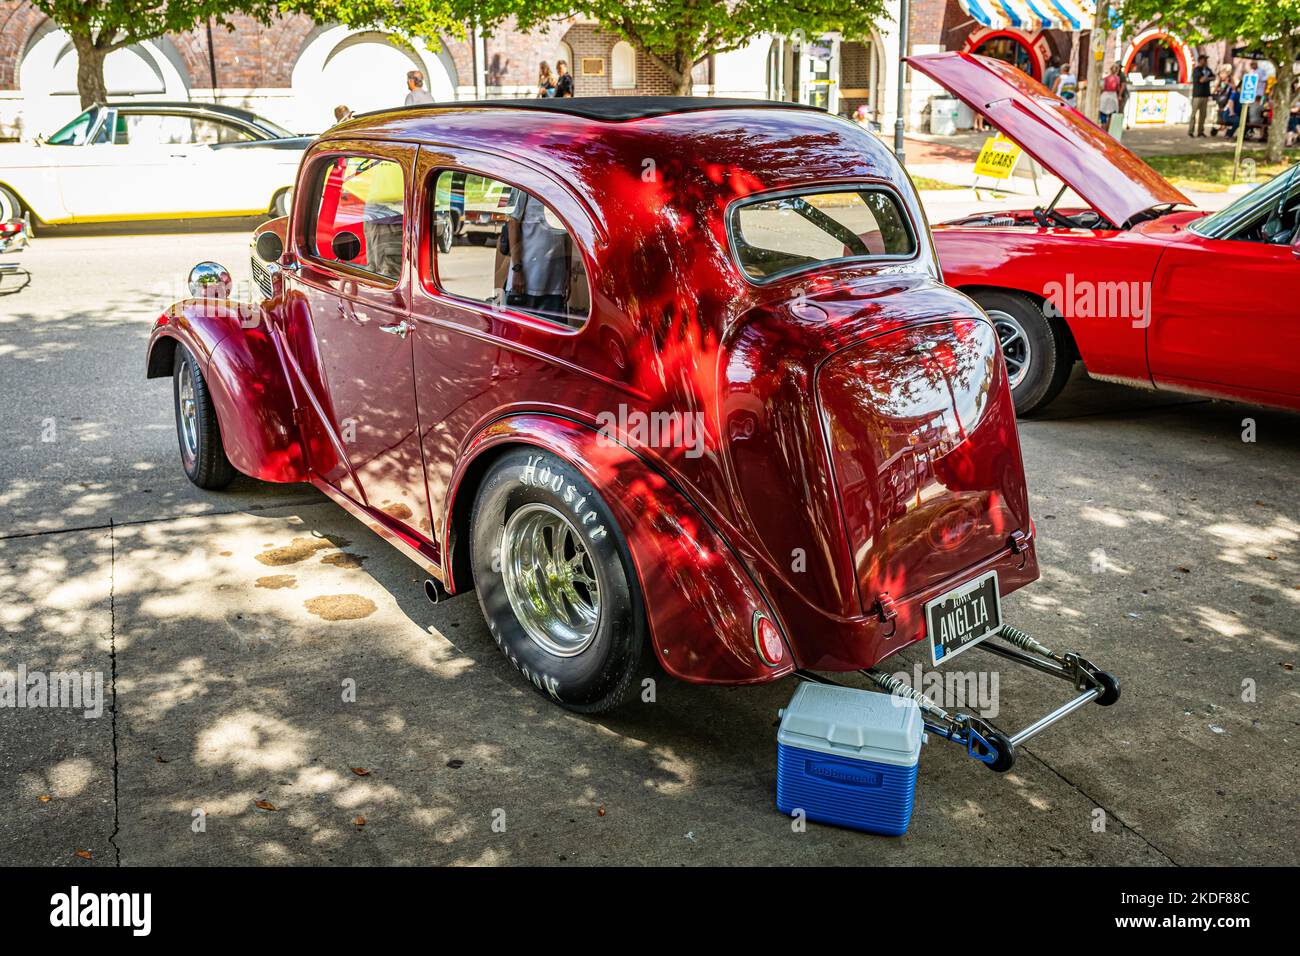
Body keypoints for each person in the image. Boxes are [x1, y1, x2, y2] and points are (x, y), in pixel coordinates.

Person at [506, 190, 569, 315]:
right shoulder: (526, 180)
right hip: (526, 283)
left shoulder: (562, 186)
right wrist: (517, 270)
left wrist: (568, 273)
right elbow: (513, 224)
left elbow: (567, 232)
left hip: (555, 283)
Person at [1189, 54, 1214, 137]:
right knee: (1194, 114)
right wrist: (1207, 78)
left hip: (1205, 95)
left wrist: (1207, 78)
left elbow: (1213, 77)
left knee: (1203, 115)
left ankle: (1200, 131)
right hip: (1197, 95)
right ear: (1200, 61)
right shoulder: (1197, 70)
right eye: (1204, 60)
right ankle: (1191, 131)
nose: (1206, 61)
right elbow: (1201, 80)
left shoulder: (1207, 70)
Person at [1099, 63, 1126, 130]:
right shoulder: (1117, 78)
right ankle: (1108, 129)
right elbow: (1118, 88)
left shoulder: (1106, 78)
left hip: (1105, 95)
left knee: (1103, 114)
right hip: (1112, 95)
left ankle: (1103, 128)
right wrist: (1119, 95)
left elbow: (1102, 88)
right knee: (1112, 114)